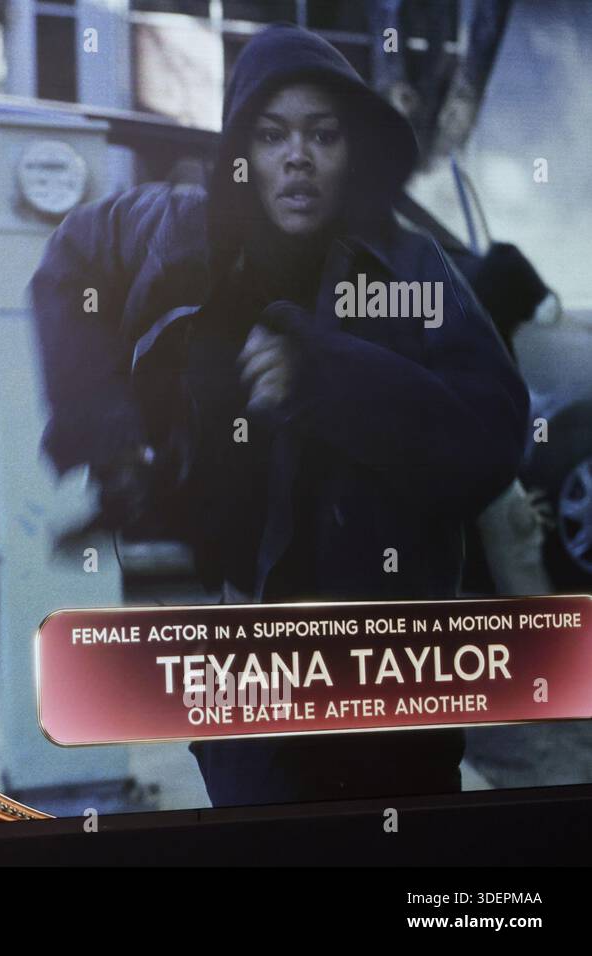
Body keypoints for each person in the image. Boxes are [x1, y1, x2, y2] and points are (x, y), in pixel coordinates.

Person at [31, 25, 528, 806]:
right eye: (271, 136)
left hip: (388, 672)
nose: (297, 157)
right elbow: (70, 260)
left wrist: (326, 375)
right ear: (243, 152)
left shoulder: (410, 265)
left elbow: (491, 433)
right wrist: (109, 432)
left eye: (323, 135)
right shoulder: (178, 225)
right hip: (246, 664)